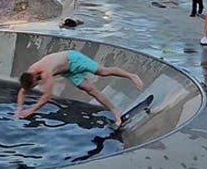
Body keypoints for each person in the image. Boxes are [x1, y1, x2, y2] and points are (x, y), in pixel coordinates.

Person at [16, 50, 144, 128]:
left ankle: (131, 75)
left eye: (34, 85)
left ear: (34, 79)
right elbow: (22, 91)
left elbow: (46, 97)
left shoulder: (45, 73)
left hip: (73, 59)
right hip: (67, 71)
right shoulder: (29, 74)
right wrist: (19, 109)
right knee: (90, 90)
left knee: (102, 72)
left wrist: (30, 110)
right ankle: (115, 111)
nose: (35, 87)